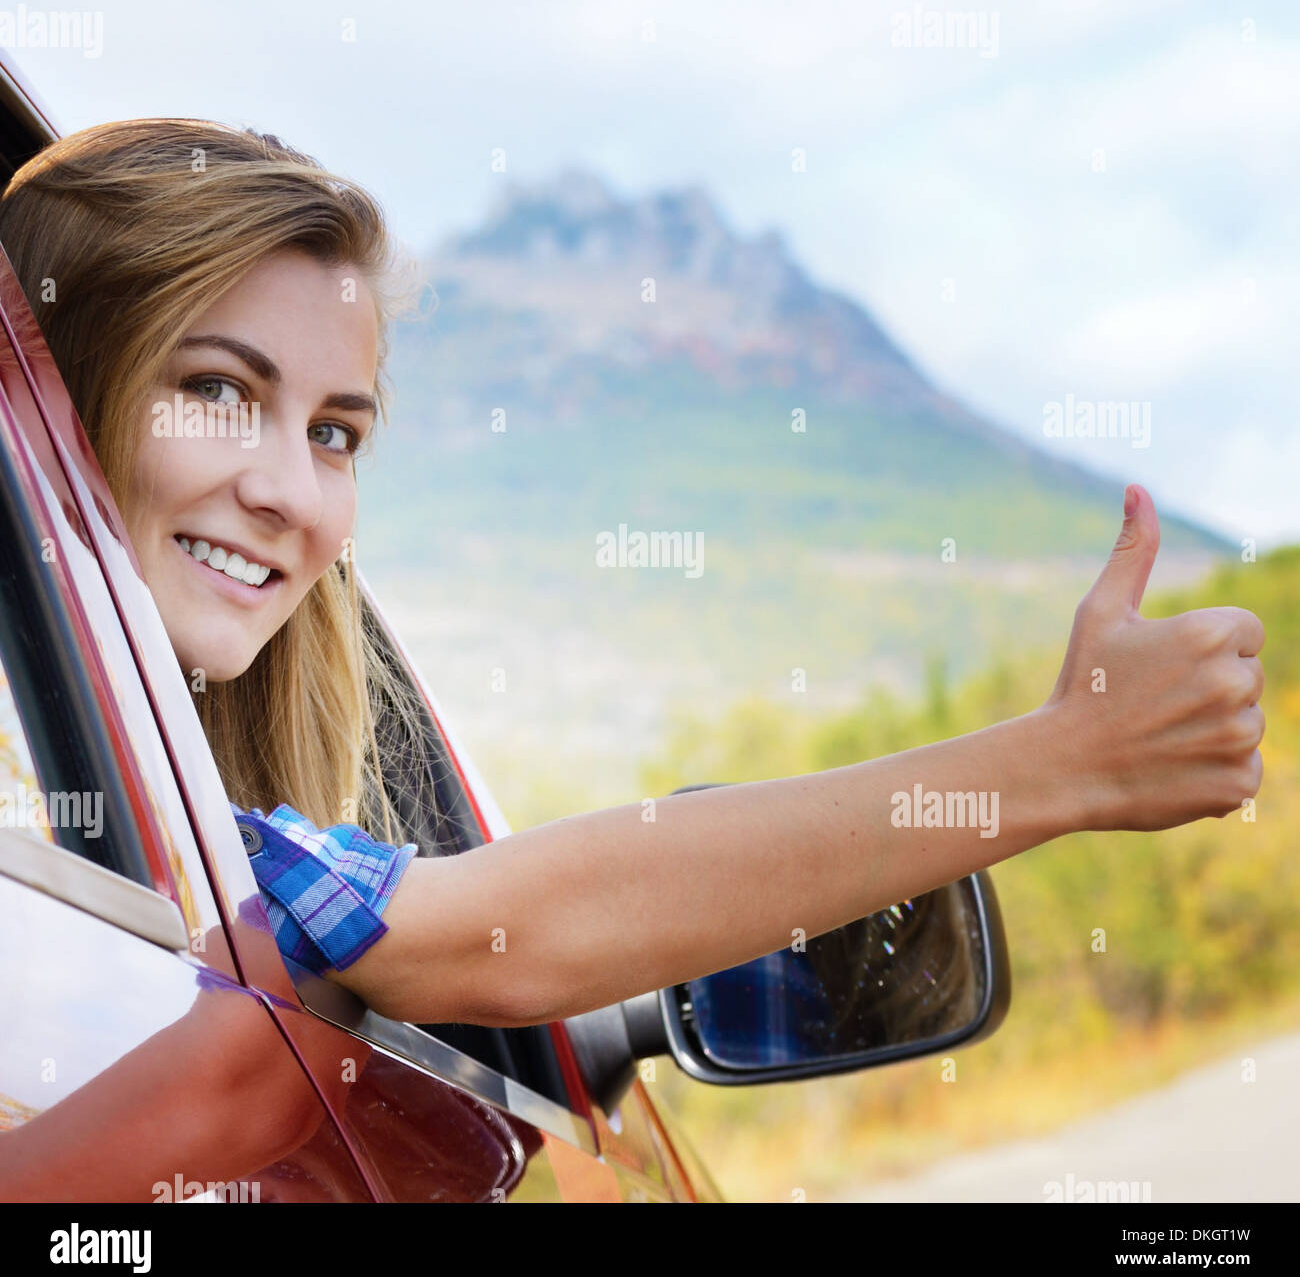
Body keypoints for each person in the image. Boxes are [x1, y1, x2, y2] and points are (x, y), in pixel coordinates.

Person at [0, 120, 1266, 1031]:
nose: (291, 491)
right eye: (217, 389)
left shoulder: (161, 835)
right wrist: (1065, 763)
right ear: (53, 397)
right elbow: (494, 931)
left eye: (336, 431)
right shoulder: (48, 814)